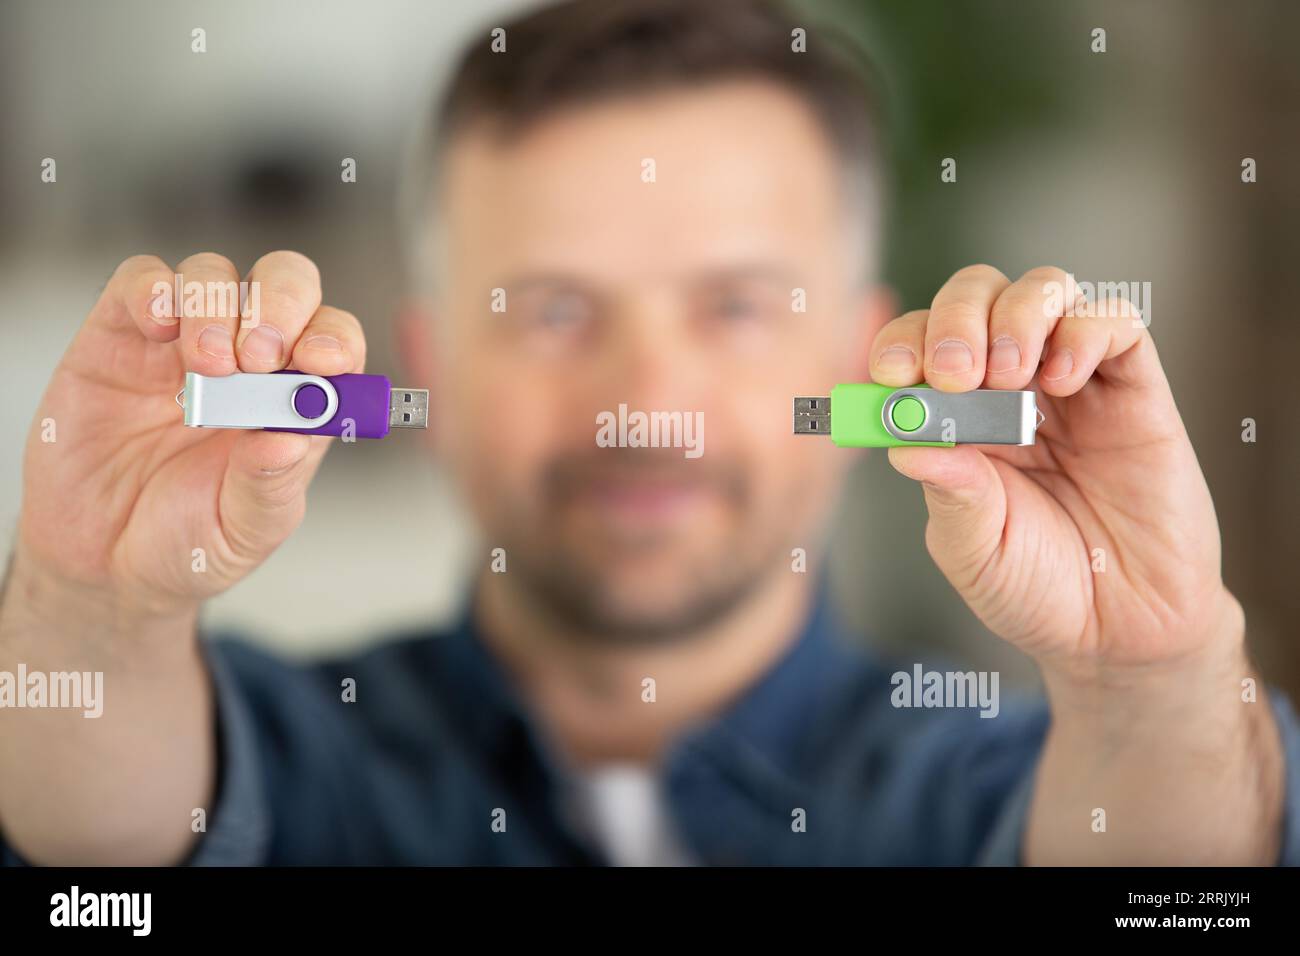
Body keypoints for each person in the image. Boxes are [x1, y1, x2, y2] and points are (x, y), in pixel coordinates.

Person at [1, 0, 1297, 867]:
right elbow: (93, 844)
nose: (645, 393)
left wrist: (1155, 677)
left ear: (859, 360)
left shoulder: (988, 776)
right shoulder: (286, 752)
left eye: (734, 305)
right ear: (432, 367)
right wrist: (88, 611)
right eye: (554, 307)